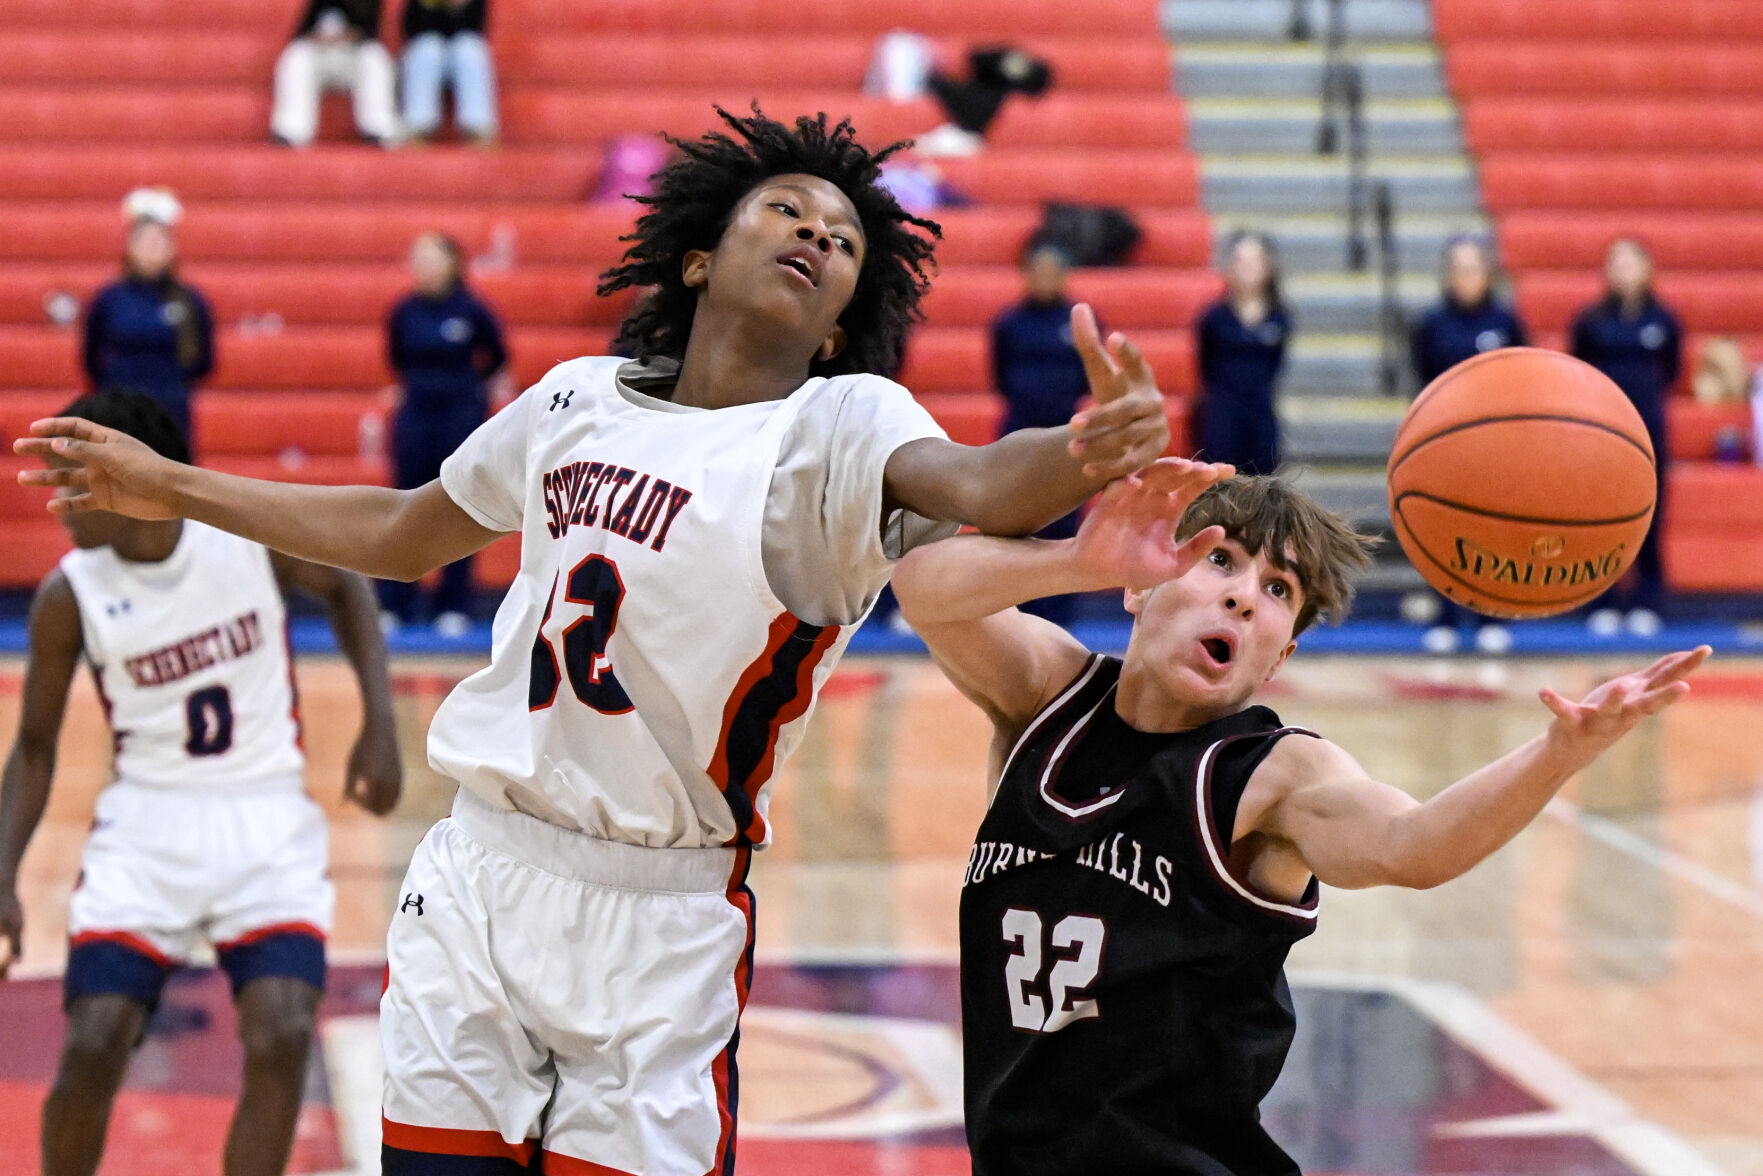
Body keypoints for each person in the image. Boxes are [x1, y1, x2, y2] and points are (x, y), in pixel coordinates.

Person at [15, 109, 1174, 1175]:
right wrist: (174, 485)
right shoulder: (575, 398)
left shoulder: (837, 428)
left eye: (843, 242)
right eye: (785, 210)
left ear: (837, 330)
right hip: (481, 875)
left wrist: (1083, 450)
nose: (817, 233)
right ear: (696, 258)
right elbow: (403, 529)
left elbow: (979, 480)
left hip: (660, 917)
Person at [890, 460, 1709, 1176]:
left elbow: (1410, 846)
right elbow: (920, 583)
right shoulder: (1048, 696)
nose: (1243, 597)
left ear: (1278, 656)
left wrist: (1557, 752)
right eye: (1219, 561)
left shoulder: (1271, 775)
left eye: (1277, 590)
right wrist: (1076, 558)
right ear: (1141, 583)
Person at [0, 390, 402, 1176]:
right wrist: (2, 874)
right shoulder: (68, 594)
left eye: (74, 481)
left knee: (284, 1029)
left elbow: (349, 586)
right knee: (94, 1037)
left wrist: (379, 729)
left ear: (132, 480)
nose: (59, 504)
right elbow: (36, 750)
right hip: (146, 826)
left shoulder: (243, 537)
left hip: (265, 812)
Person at [381, 231, 508, 636]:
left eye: (430, 257)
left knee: (460, 506)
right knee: (405, 507)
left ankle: (453, 604)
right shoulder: (403, 311)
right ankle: (397, 603)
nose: (421, 265)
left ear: (452, 263)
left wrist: (468, 392)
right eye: (416, 258)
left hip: (461, 419)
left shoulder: (473, 311)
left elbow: (497, 356)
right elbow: (396, 359)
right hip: (415, 419)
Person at [1408, 236, 1529, 655]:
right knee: (1444, 529)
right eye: (1457, 268)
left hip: (1495, 443)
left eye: (1473, 267)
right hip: (1445, 441)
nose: (1465, 276)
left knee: (1493, 529)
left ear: (1488, 272)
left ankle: (1491, 615)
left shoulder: (1506, 321)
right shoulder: (1431, 324)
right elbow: (1423, 378)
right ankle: (1447, 614)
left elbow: (1523, 378)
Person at [1571, 237, 1683, 637]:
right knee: (1600, 523)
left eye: (1631, 262)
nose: (1623, 270)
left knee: (1650, 520)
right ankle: (1601, 601)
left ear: (1648, 267)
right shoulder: (1590, 321)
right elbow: (1578, 372)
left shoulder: (1665, 319)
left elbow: (1672, 372)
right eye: (1615, 262)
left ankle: (1648, 602)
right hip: (1600, 436)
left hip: (1650, 434)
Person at [990, 243, 1090, 625]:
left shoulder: (1079, 321)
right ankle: (1017, 608)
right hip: (1019, 432)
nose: (1045, 278)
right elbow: (998, 375)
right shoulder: (1008, 322)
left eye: (1053, 271)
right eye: (1038, 270)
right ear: (1026, 274)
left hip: (1069, 434)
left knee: (1064, 522)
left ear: (1065, 276)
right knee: (1019, 519)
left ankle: (1060, 611)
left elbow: (1091, 371)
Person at [82, 191, 213, 445]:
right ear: (130, 246)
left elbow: (204, 361)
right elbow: (91, 357)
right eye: (145, 241)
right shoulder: (109, 299)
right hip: (118, 409)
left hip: (171, 410)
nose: (152, 248)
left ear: (172, 248)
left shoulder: (190, 300)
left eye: (159, 242)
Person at [1195, 230, 1290, 477]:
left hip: (1260, 410)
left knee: (1263, 487)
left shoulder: (1280, 318)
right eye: (1240, 261)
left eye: (1254, 261)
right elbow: (1204, 364)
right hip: (1223, 411)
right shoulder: (1213, 318)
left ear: (1268, 268)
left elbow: (1276, 365)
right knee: (1220, 484)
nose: (1246, 269)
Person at [271, 0, 400, 148]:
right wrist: (318, 37)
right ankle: (291, 130)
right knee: (297, 55)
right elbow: (301, 32)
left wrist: (348, 36)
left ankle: (378, 128)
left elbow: (370, 33)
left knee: (375, 57)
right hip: (320, 56)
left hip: (353, 58)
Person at [399, 0, 498, 146]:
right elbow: (411, 28)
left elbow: (477, 28)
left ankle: (478, 127)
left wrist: (457, 9)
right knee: (426, 48)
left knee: (470, 49)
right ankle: (417, 126)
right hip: (430, 49)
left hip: (460, 50)